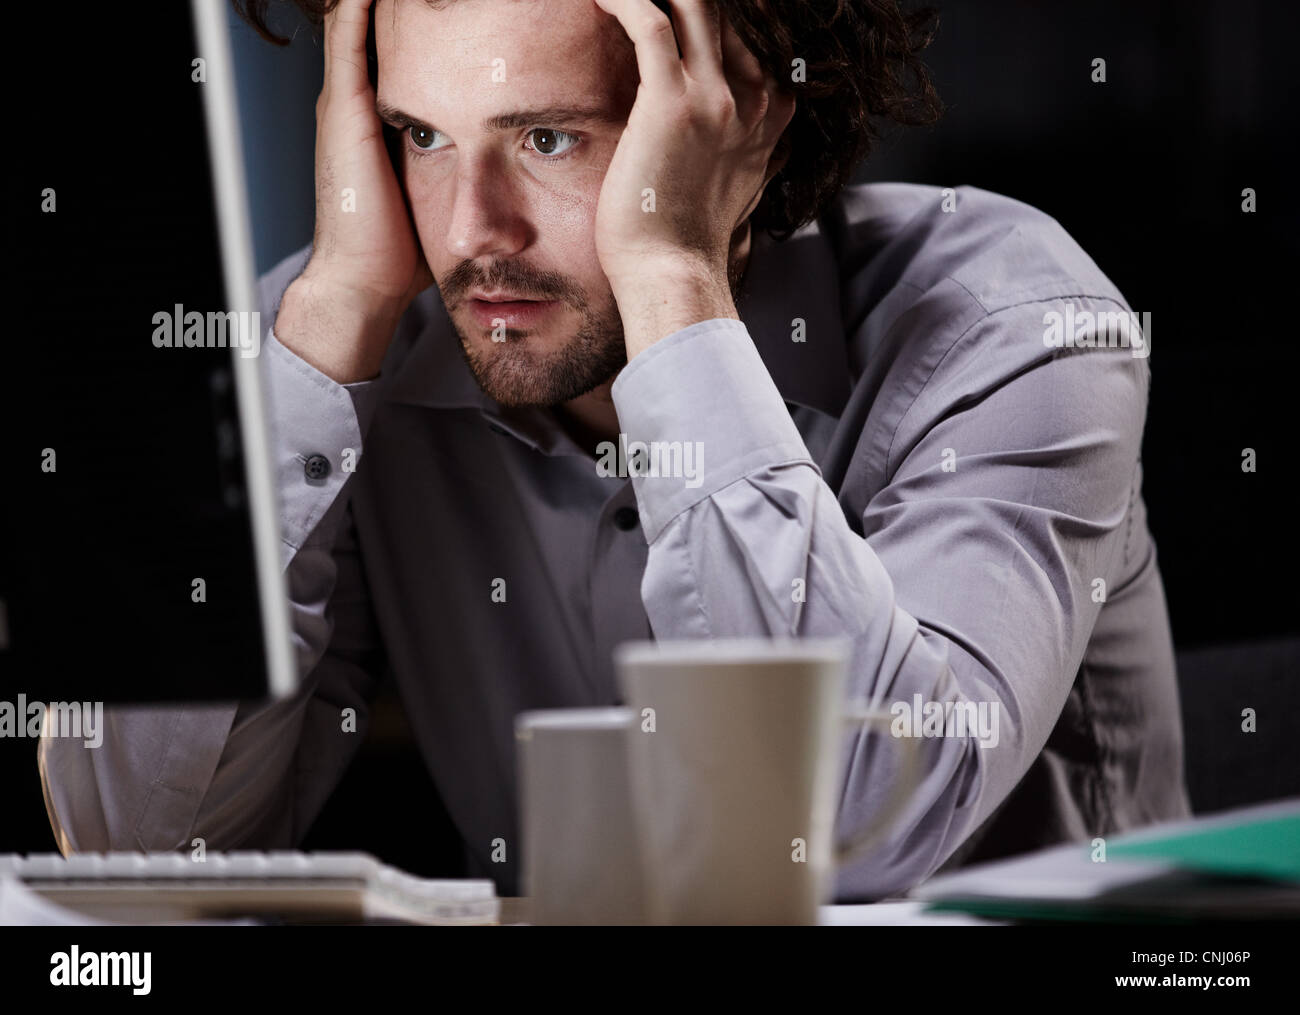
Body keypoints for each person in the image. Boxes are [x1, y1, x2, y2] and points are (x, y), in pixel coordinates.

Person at [39, 0, 1191, 900]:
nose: (471, 230)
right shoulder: (347, 336)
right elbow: (132, 847)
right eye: (420, 135)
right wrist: (335, 308)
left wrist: (672, 286)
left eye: (548, 136)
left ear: (739, 112)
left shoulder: (1017, 327)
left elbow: (840, 833)